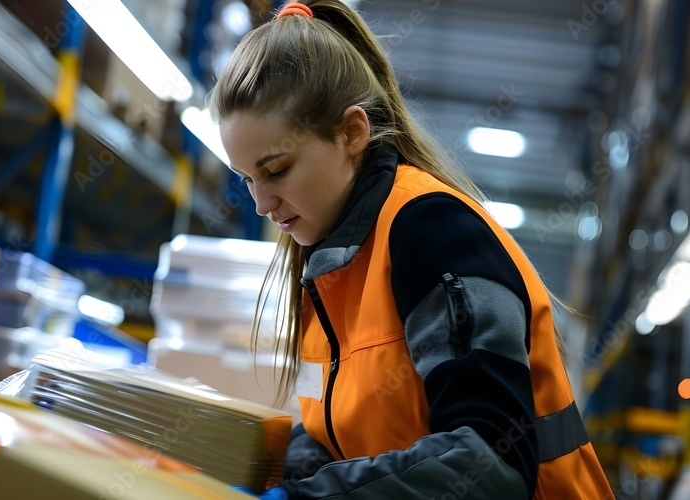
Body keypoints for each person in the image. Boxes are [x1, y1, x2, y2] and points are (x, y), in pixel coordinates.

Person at [211, 1, 614, 498]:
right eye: (247, 178)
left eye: (275, 170)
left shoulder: (434, 233)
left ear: (352, 133)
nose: (261, 203)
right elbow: (343, 439)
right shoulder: (331, 267)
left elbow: (489, 464)